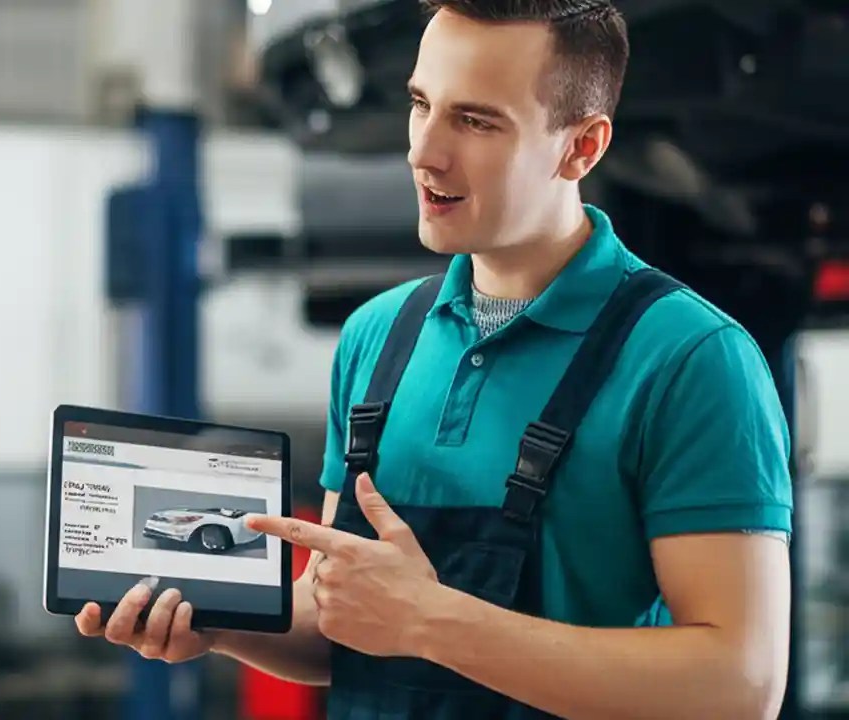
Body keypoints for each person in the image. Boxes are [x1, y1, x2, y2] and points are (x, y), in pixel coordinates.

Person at [77, 1, 794, 718]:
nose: (425, 152)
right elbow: (341, 617)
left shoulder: (690, 360)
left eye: (476, 121)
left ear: (582, 147)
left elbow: (739, 688)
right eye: (422, 105)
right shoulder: (378, 336)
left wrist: (431, 622)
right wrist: (217, 621)